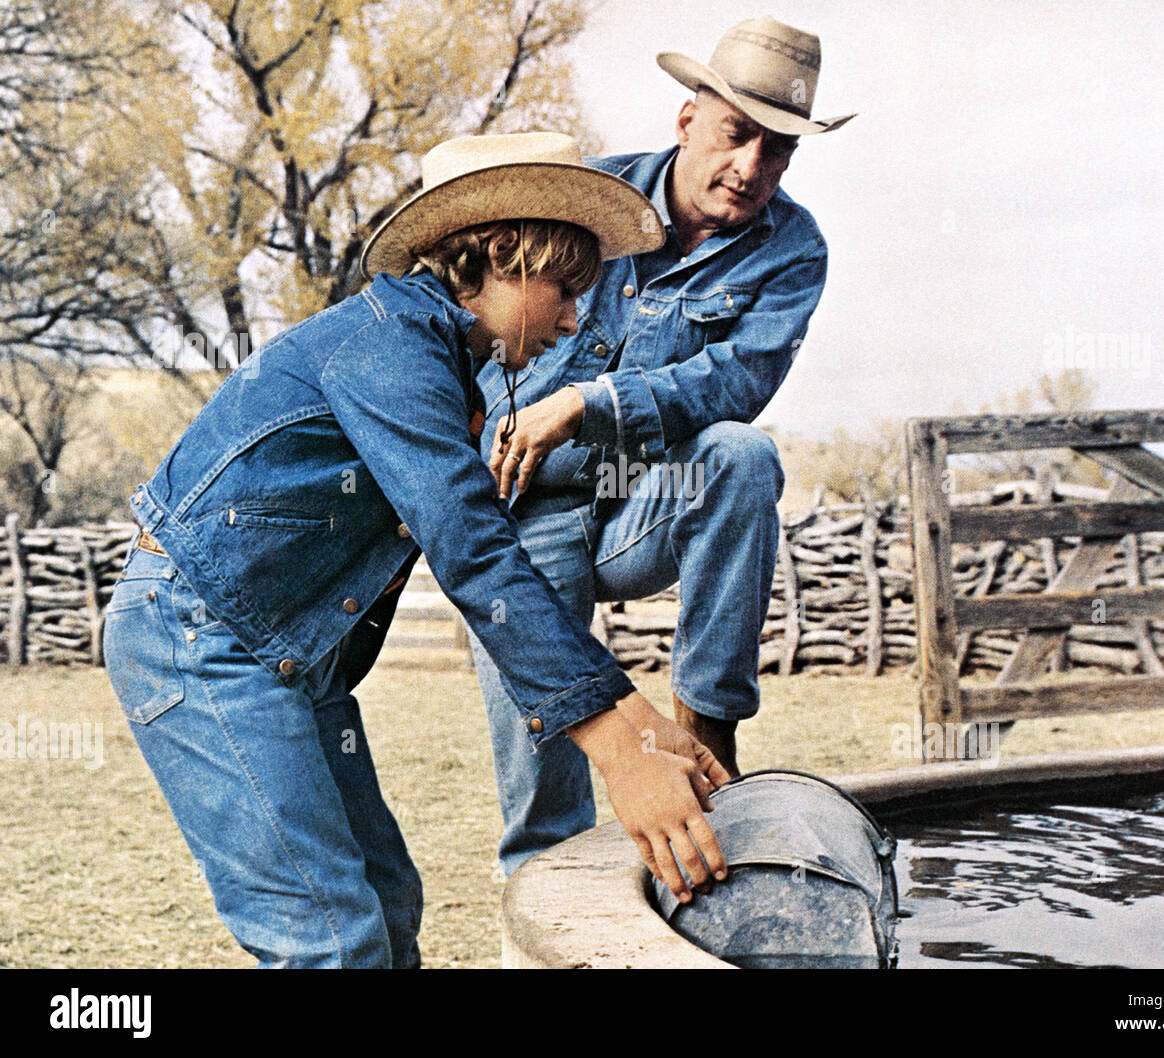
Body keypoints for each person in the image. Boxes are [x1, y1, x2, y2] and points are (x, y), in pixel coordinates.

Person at [103, 132, 729, 969]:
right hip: (198, 635)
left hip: (287, 652)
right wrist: (617, 750)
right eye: (566, 288)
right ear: (506, 252)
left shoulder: (430, 358)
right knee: (330, 943)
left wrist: (638, 719)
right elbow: (472, 552)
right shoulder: (389, 346)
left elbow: (487, 549)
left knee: (388, 905)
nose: (575, 320)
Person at [467, 16, 855, 874]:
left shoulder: (792, 250)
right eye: (736, 133)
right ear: (688, 120)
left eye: (779, 150)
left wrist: (588, 401)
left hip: (640, 504)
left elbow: (736, 383)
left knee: (740, 455)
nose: (752, 166)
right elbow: (479, 318)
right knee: (545, 797)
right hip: (521, 510)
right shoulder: (586, 199)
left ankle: (710, 746)